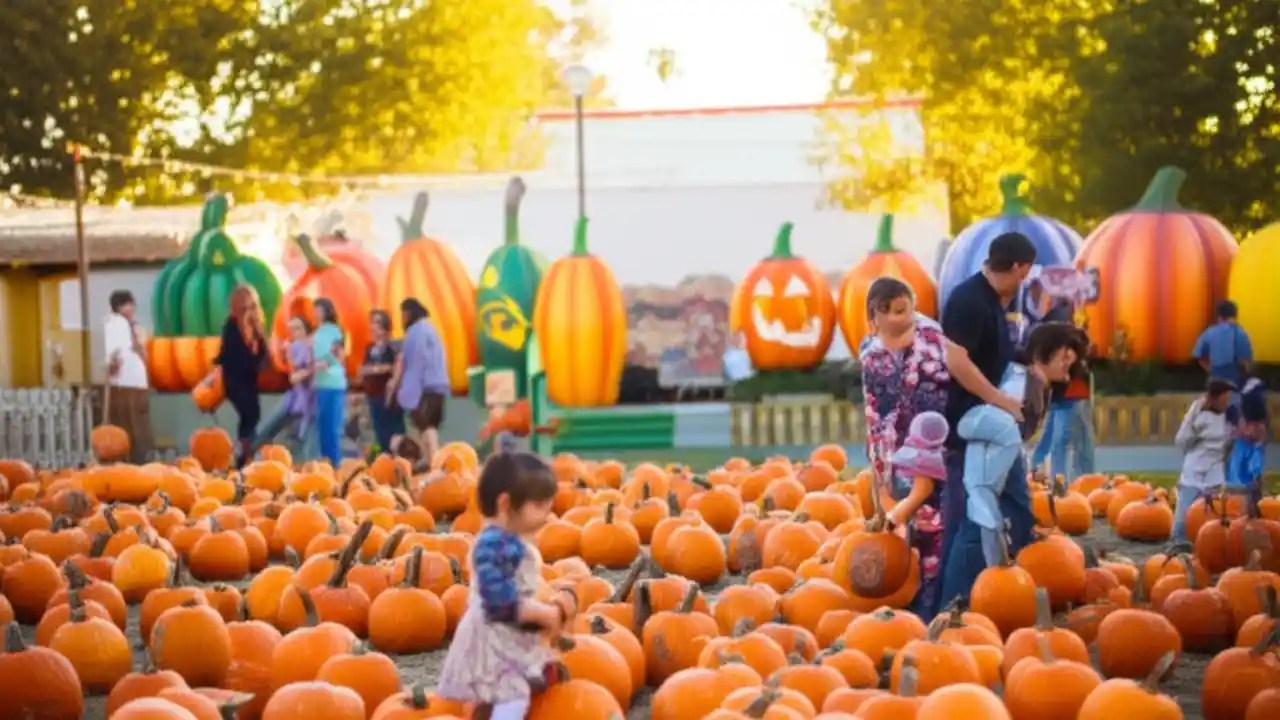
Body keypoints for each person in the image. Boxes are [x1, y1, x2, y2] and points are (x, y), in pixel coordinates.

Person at [858, 277, 1015, 618]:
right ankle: (913, 610)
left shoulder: (932, 339)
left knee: (939, 534)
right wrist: (878, 468)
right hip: (896, 455)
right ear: (877, 315)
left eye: (909, 308)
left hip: (939, 449)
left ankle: (939, 612)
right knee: (906, 539)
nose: (907, 317)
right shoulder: (870, 354)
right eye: (898, 311)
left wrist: (999, 402)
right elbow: (873, 412)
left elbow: (959, 381)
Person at [942, 323, 1083, 590]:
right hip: (987, 471)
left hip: (1002, 470)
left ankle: (992, 591)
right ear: (1044, 351)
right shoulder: (1018, 383)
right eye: (1065, 356)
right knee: (977, 532)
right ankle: (956, 602)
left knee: (1005, 527)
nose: (1069, 365)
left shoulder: (1037, 386)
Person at [436, 452, 575, 719]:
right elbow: (500, 601)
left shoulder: (509, 541)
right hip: (491, 638)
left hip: (507, 635)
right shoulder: (491, 547)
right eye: (540, 506)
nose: (547, 515)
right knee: (514, 695)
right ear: (505, 504)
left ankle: (489, 709)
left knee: (519, 675)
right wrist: (541, 614)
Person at [938, 232, 1036, 601]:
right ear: (1018, 267)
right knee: (977, 515)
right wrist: (1000, 400)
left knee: (1015, 505)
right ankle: (955, 601)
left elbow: (992, 355)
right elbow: (956, 360)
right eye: (1025, 271)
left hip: (990, 417)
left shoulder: (993, 299)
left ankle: (1003, 588)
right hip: (972, 418)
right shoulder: (969, 299)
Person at [1170, 379, 1236, 544]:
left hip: (1215, 473)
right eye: (1225, 397)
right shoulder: (1197, 411)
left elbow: (1230, 443)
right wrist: (1195, 428)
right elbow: (1181, 441)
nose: (1227, 401)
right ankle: (1180, 544)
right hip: (1194, 471)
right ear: (1214, 397)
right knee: (1182, 521)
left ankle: (1206, 544)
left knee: (1211, 516)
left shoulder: (1231, 415)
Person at [390, 298, 449, 470]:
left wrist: (406, 393)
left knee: (426, 425)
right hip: (439, 384)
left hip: (425, 386)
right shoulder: (430, 329)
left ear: (408, 313)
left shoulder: (416, 332)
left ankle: (435, 462)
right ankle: (430, 460)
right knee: (428, 427)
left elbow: (416, 364)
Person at [216, 285, 268, 468]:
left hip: (249, 381)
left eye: (253, 304)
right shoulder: (232, 326)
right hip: (236, 381)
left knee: (251, 418)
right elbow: (231, 355)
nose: (250, 308)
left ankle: (244, 457)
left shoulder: (256, 325)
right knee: (249, 416)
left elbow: (262, 352)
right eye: (246, 305)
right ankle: (244, 458)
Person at [254, 313, 317, 459]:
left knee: (302, 438)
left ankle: (301, 467)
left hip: (311, 399)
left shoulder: (314, 346)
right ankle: (251, 455)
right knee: (269, 426)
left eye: (297, 328)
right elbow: (293, 375)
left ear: (306, 329)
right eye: (292, 329)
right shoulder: (293, 348)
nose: (294, 332)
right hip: (295, 396)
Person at [103, 290, 153, 463]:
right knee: (127, 422)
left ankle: (142, 456)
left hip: (138, 380)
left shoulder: (136, 327)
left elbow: (143, 351)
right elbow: (114, 355)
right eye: (124, 305)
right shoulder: (115, 324)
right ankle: (129, 459)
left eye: (130, 304)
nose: (129, 308)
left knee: (139, 420)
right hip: (123, 382)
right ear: (117, 308)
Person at [360, 310, 405, 453]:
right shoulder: (369, 349)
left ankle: (401, 460)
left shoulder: (393, 347)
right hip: (374, 396)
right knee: (381, 432)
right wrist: (377, 369)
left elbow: (397, 367)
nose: (373, 327)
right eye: (372, 323)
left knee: (395, 431)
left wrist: (382, 369)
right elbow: (363, 370)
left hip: (390, 397)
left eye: (377, 323)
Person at [311, 298, 348, 467]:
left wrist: (326, 362)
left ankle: (335, 464)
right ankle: (326, 463)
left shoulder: (335, 331)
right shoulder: (317, 332)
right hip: (320, 384)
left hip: (333, 384)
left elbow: (339, 353)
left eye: (318, 309)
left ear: (326, 311)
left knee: (332, 428)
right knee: (323, 428)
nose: (315, 313)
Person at [1194, 300, 1253, 389]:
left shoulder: (1209, 332)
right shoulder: (1240, 333)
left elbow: (1200, 356)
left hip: (1215, 379)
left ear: (1218, 316)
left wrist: (1211, 369)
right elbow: (1245, 361)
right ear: (1235, 316)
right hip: (1235, 380)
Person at [1230, 378, 1269, 503]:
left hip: (1249, 447)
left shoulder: (1251, 408)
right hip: (1244, 447)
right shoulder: (1244, 409)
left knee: (1249, 476)